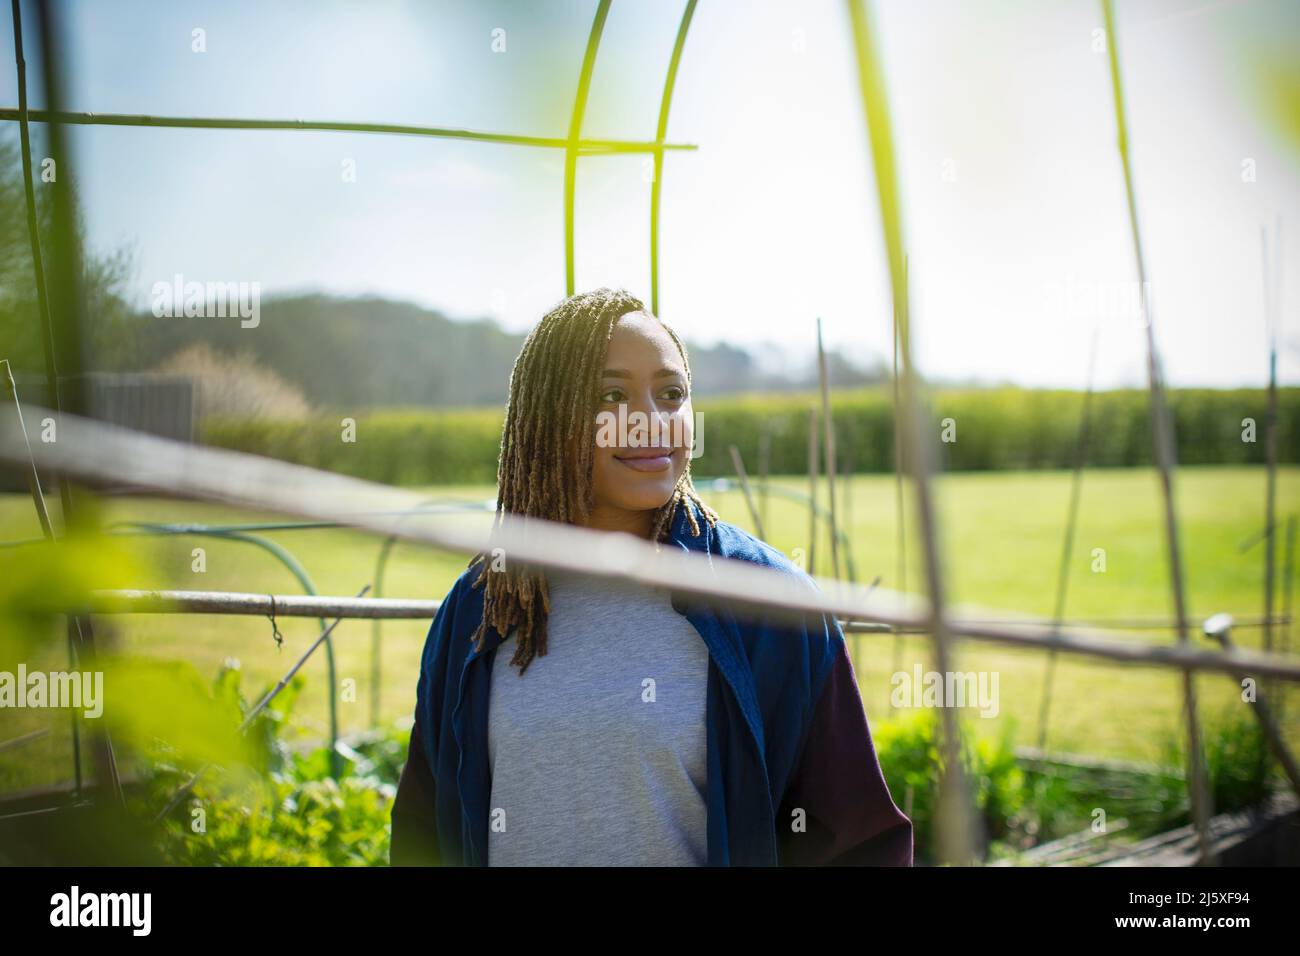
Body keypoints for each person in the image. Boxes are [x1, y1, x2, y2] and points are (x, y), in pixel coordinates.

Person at [390, 287, 912, 866]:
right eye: (612, 395)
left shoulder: (767, 603)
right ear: (547, 418)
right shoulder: (479, 607)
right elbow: (422, 831)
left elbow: (859, 843)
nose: (648, 422)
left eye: (671, 394)